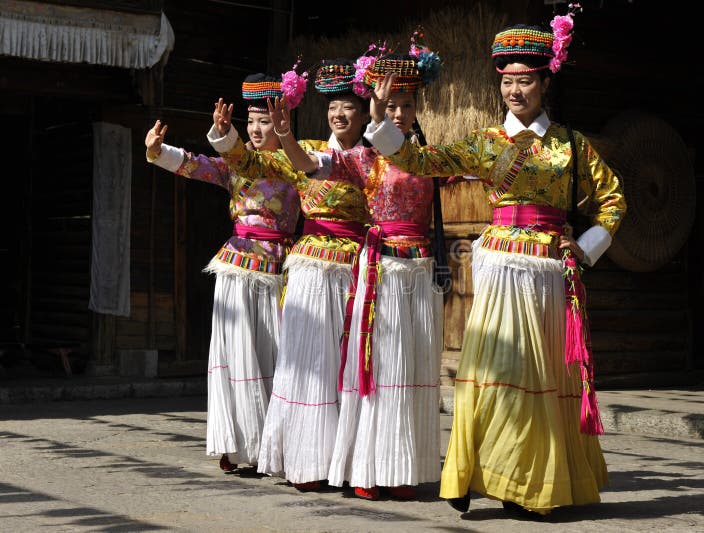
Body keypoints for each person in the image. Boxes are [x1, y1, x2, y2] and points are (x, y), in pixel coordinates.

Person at [366, 11, 626, 515]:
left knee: (539, 379)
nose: (513, 90)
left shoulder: (573, 147)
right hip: (502, 267)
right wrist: (378, 122)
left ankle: (532, 487)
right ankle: (474, 472)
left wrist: (587, 243)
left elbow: (613, 199)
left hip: (549, 273)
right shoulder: (486, 142)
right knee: (491, 370)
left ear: (545, 82)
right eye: (506, 80)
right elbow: (422, 162)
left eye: (524, 79)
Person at [263, 40, 445, 501]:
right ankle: (367, 466)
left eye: (407, 105)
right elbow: (311, 164)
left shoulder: (431, 160)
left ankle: (401, 469)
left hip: (419, 271)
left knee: (413, 366)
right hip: (379, 269)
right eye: (391, 105)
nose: (399, 113)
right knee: (378, 367)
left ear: (417, 107)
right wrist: (286, 136)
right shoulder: (364, 159)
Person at [207, 59, 372, 491]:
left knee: (348, 365)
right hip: (310, 266)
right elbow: (262, 165)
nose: (338, 114)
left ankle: (349, 458)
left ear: (365, 111)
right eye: (332, 106)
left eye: (348, 107)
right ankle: (305, 457)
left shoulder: (376, 159)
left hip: (358, 265)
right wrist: (231, 139)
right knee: (305, 364)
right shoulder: (310, 148)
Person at [144, 71, 304, 472]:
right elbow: (199, 165)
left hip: (279, 268)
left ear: (283, 121)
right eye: (249, 122)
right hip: (236, 267)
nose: (254, 129)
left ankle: (273, 445)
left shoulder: (300, 165)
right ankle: (236, 443)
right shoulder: (235, 165)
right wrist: (160, 152)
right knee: (236, 356)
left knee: (274, 354)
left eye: (263, 121)